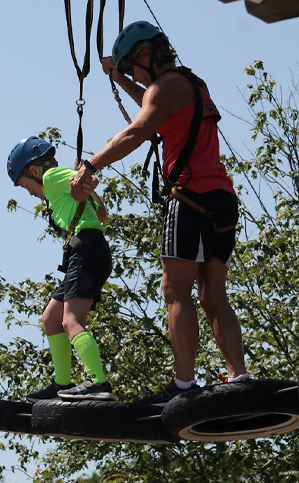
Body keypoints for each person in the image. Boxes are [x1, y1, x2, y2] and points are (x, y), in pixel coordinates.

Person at [69, 21, 249, 404]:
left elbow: (136, 131)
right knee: (213, 291)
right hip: (222, 198)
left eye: (134, 67)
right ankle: (239, 376)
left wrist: (91, 166)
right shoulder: (191, 84)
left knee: (175, 290)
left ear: (146, 57)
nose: (135, 75)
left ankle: (183, 385)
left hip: (189, 199)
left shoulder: (165, 88)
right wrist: (119, 77)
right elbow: (153, 105)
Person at [7, 136, 115, 402]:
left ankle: (98, 382)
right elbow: (102, 214)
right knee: (51, 319)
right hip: (88, 251)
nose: (29, 192)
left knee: (71, 321)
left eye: (25, 186)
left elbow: (87, 180)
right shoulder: (59, 187)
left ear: (34, 171)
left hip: (87, 251)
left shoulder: (52, 177)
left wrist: (85, 177)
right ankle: (61, 384)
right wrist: (85, 186)